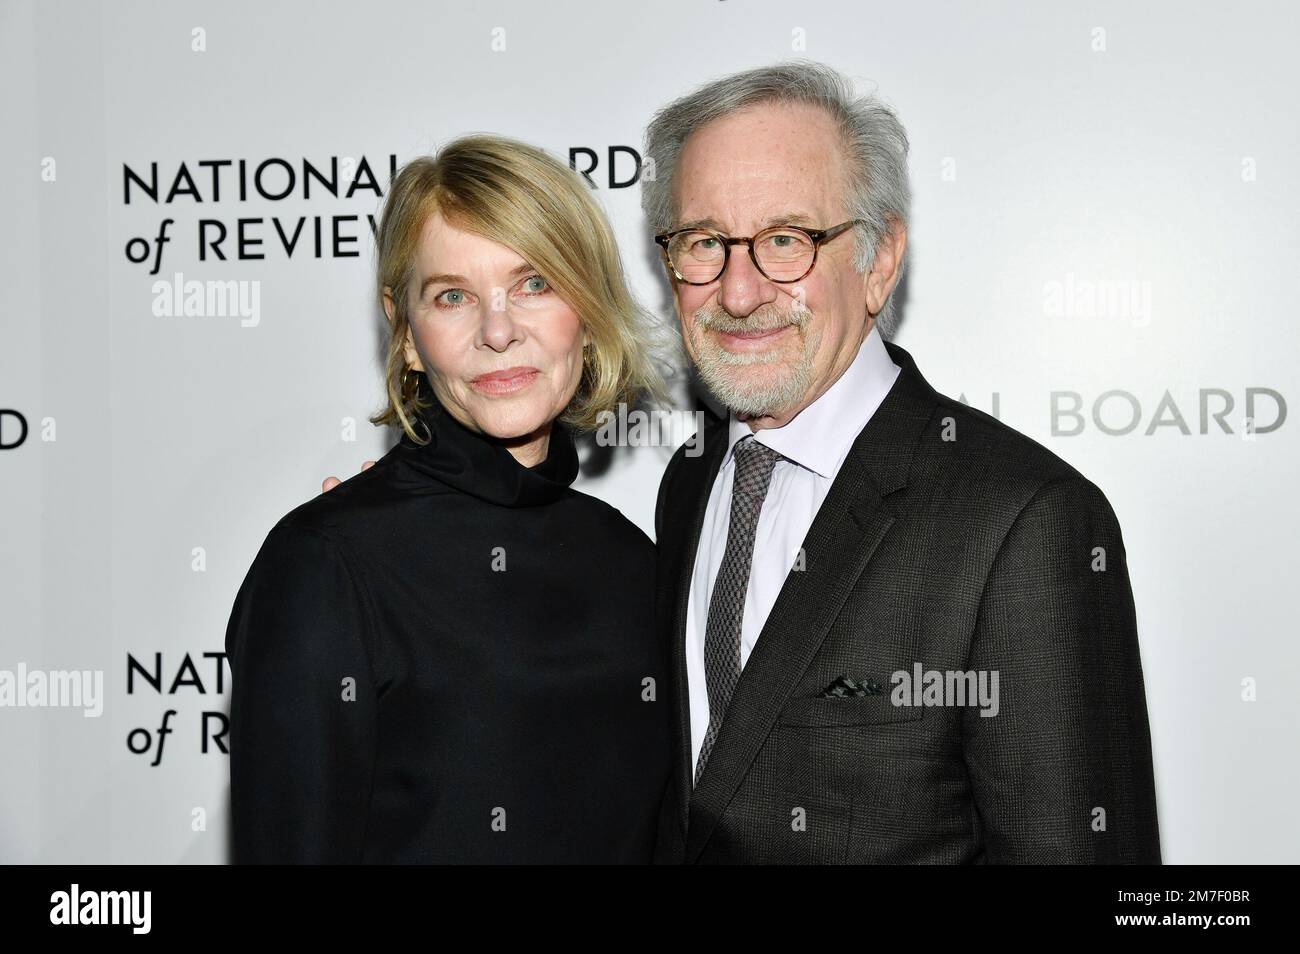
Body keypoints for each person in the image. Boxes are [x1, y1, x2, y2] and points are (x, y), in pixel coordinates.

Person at [643, 60, 1161, 863]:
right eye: (704, 242)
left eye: (787, 240)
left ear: (879, 260)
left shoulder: (1026, 521)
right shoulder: (692, 479)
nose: (738, 292)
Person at [224, 134, 672, 863]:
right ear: (405, 333)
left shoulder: (636, 559)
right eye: (453, 296)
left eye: (535, 284)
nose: (498, 332)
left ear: (586, 310)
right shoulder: (326, 565)